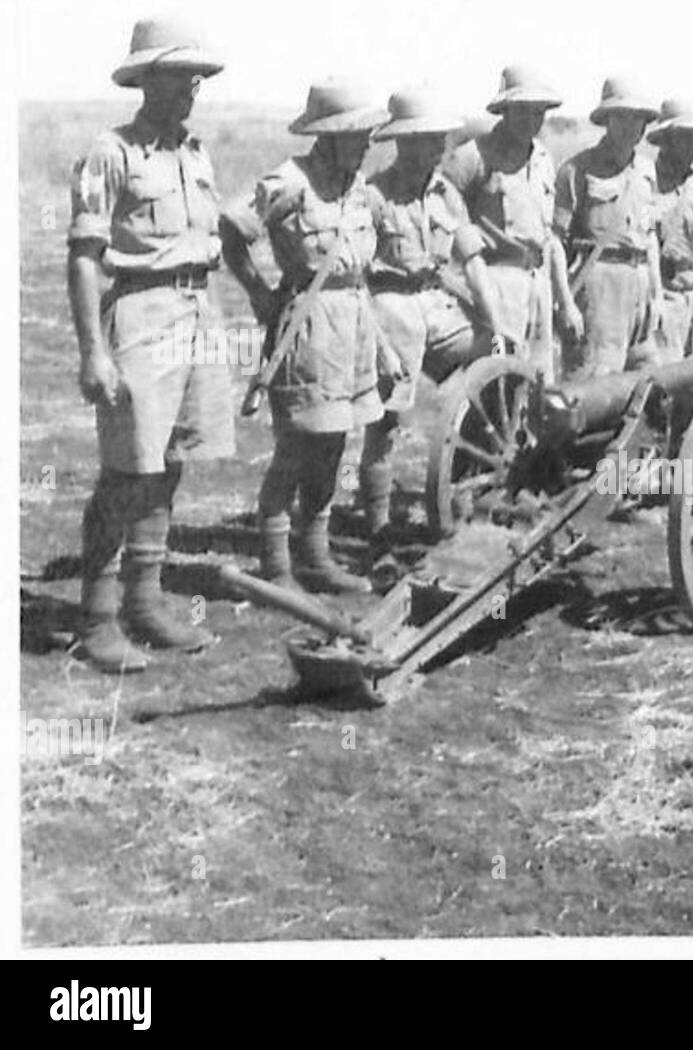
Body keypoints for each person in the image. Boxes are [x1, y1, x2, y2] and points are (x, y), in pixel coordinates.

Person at [68, 18, 234, 673]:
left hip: (197, 313)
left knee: (169, 462)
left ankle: (145, 599)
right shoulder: (113, 152)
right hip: (139, 314)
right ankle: (97, 620)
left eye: (197, 76)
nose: (192, 87)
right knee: (127, 470)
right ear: (148, 78)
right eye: (180, 75)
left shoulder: (196, 152)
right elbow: (84, 257)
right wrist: (93, 352)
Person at [220, 79, 395, 594]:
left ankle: (315, 558)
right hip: (308, 328)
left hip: (354, 325)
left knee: (335, 443)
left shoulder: (358, 186)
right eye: (359, 134)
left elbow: (362, 268)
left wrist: (381, 343)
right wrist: (259, 293)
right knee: (296, 449)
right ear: (330, 135)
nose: (367, 145)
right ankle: (276, 569)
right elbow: (233, 230)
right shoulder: (290, 180)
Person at [361, 87, 497, 545]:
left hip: (437, 305)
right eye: (427, 139)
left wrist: (492, 322)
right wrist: (378, 345)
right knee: (384, 422)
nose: (439, 149)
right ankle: (377, 524)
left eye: (441, 139)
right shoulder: (374, 196)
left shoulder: (445, 194)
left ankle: (460, 491)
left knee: (482, 379)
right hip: (390, 307)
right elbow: (355, 277)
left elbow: (471, 255)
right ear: (403, 142)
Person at [441, 66, 575, 384]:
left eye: (538, 112)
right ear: (505, 110)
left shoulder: (543, 158)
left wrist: (562, 297)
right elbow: (443, 211)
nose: (532, 120)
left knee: (540, 383)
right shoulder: (473, 156)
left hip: (537, 285)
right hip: (495, 286)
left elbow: (550, 236)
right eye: (523, 111)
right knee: (501, 381)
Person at [553, 77, 663, 379]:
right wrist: (565, 303)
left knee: (645, 381)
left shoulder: (646, 171)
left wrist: (657, 293)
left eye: (640, 119)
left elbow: (650, 236)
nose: (633, 127)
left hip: (640, 285)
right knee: (594, 384)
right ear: (607, 121)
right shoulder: (577, 169)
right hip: (599, 286)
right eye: (624, 118)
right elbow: (554, 243)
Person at [647, 100, 693, 364]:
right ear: (666, 139)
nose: (692, 147)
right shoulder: (648, 180)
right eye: (684, 139)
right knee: (666, 378)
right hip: (668, 293)